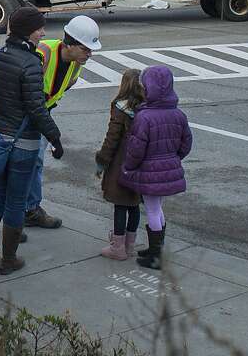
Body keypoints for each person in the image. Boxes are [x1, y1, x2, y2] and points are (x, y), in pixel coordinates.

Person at [0, 7, 63, 276]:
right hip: (23, 143)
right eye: (39, 28)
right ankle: (9, 259)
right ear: (27, 30)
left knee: (1, 193)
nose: (43, 33)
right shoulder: (31, 62)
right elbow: (37, 109)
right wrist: (55, 138)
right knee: (16, 200)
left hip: (0, 138)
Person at [24, 15, 101, 229]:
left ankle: (29, 209)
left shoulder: (76, 63)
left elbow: (57, 92)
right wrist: (52, 134)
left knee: (35, 163)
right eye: (86, 48)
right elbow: (28, 94)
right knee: (21, 165)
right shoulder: (43, 53)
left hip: (41, 114)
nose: (90, 54)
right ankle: (19, 212)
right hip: (23, 115)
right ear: (71, 44)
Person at [119, 65, 193, 270]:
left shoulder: (145, 117)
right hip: (168, 166)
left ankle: (156, 254)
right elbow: (186, 143)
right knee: (157, 207)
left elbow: (136, 148)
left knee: (152, 208)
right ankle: (156, 249)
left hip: (149, 170)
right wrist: (174, 159)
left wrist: (129, 167)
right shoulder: (178, 114)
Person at [95, 68, 145, 260]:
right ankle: (130, 245)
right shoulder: (146, 107)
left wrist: (101, 162)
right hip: (139, 161)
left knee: (120, 204)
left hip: (121, 162)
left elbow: (112, 138)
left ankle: (118, 247)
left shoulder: (120, 107)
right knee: (134, 203)